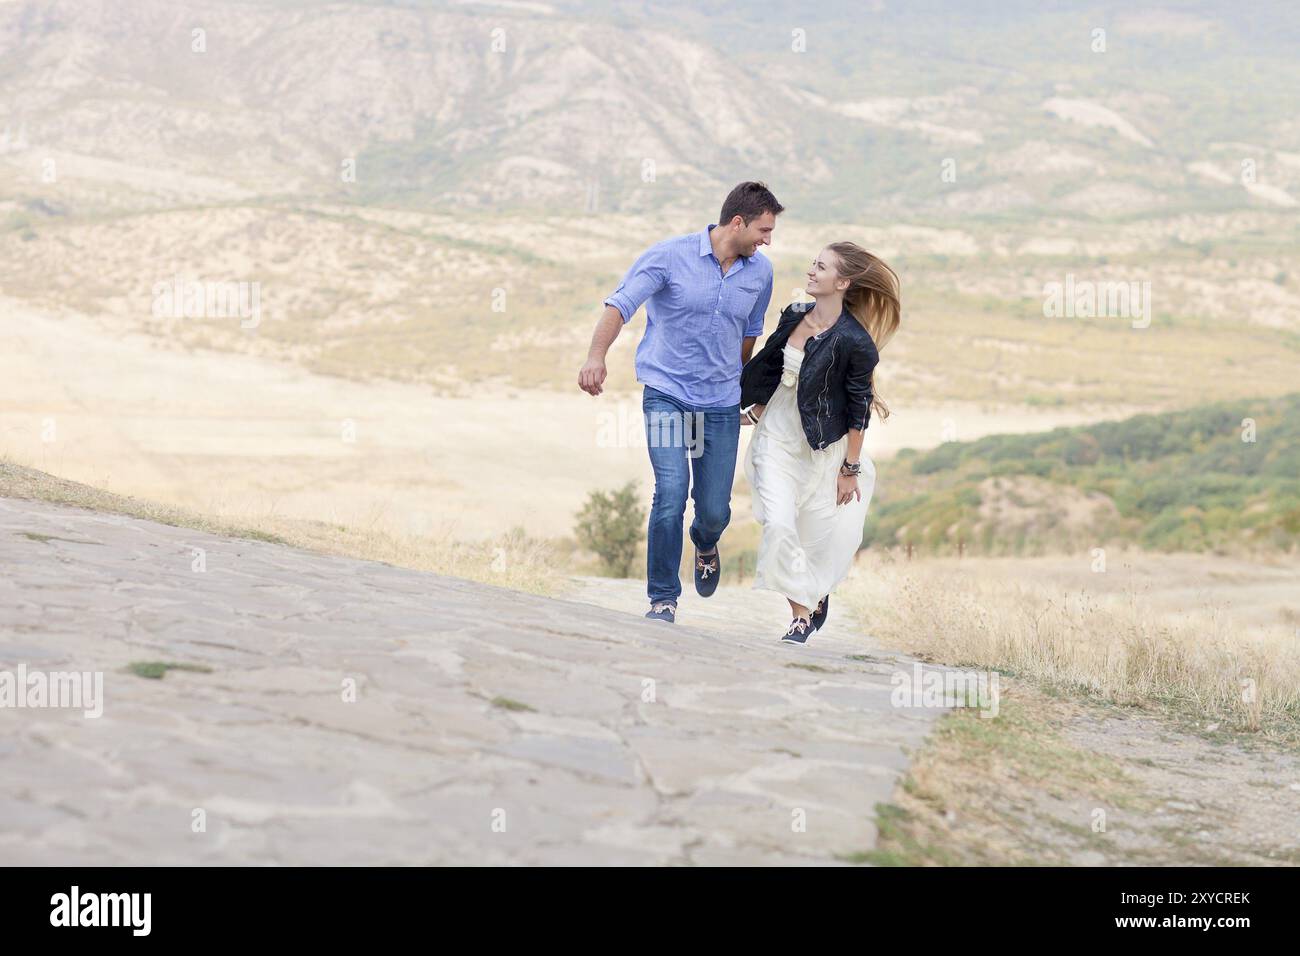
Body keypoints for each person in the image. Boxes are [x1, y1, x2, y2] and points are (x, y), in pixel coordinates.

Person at [578, 182, 781, 623]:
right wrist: (596, 357)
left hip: (720, 403)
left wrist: (739, 389)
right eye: (764, 230)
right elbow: (620, 306)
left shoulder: (760, 273)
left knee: (713, 510)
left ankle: (705, 544)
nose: (768, 240)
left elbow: (750, 334)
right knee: (670, 493)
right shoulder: (669, 256)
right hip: (667, 392)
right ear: (737, 222)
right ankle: (663, 598)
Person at [739, 241, 900, 644]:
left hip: (822, 448)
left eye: (821, 267)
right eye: (813, 264)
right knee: (778, 523)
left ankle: (813, 590)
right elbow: (777, 372)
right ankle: (800, 613)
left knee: (813, 538)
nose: (811, 271)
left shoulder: (855, 342)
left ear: (842, 282)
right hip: (776, 438)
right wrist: (754, 409)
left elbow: (859, 409)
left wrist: (850, 468)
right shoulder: (793, 315)